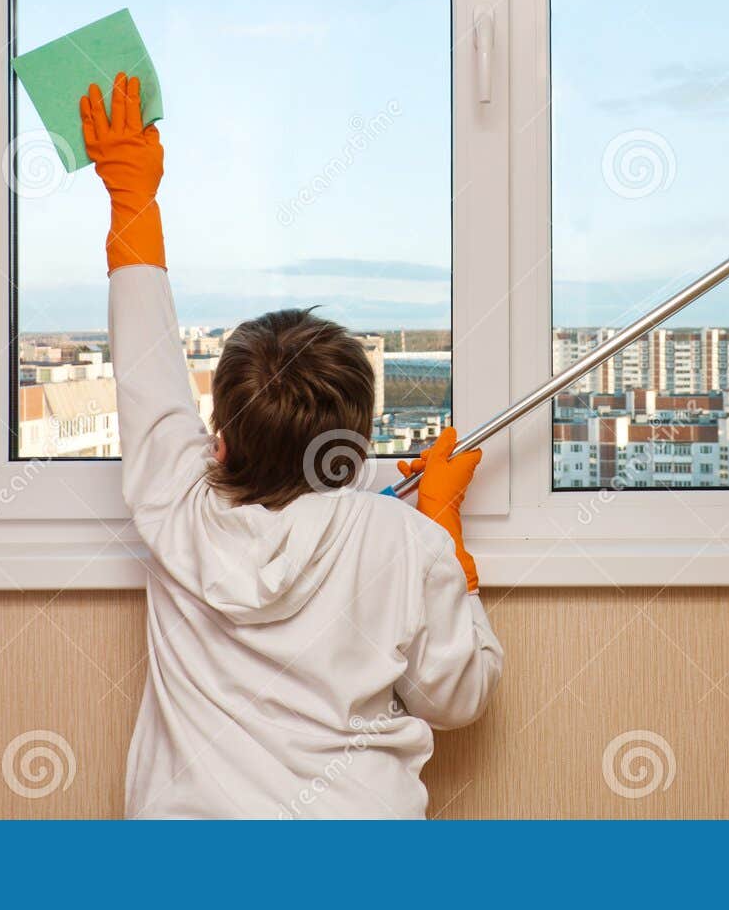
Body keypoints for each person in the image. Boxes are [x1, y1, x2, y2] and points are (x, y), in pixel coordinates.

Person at [80, 73, 502, 818]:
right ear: (358, 442)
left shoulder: (174, 502)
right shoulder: (401, 538)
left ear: (218, 438)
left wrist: (131, 194)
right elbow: (458, 696)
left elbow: (145, 368)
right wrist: (447, 540)